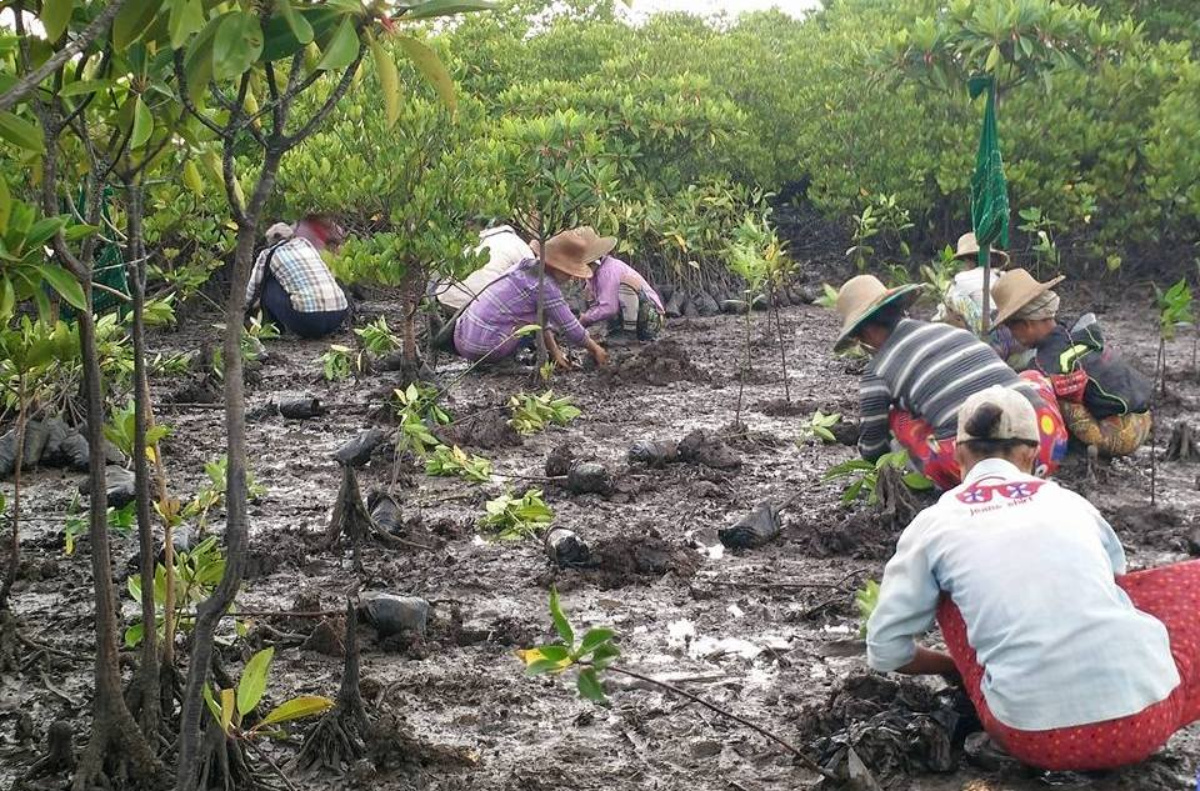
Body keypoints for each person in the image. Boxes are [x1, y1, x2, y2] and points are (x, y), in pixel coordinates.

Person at [866, 386, 1199, 772]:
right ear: (1031, 455)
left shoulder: (934, 525)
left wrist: (949, 667)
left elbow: (885, 650)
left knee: (950, 591)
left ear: (957, 456)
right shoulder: (1072, 504)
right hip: (1148, 722)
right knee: (1143, 591)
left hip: (1037, 739)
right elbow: (1117, 585)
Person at [833, 274, 1067, 489]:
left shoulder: (877, 371)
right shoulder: (953, 333)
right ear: (900, 310)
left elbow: (873, 449)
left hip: (972, 470)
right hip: (1044, 446)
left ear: (865, 334)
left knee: (898, 417)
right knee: (1029, 378)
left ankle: (940, 479)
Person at [993, 268, 1153, 457]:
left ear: (1026, 324)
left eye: (1012, 328)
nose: (1013, 336)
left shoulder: (1046, 362)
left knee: (1037, 388)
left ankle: (1075, 455)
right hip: (1144, 419)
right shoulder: (1073, 332)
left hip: (1119, 433)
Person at [453, 227, 609, 369]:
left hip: (461, 339)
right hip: (486, 348)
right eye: (569, 273)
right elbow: (570, 328)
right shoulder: (545, 285)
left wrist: (555, 352)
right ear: (557, 267)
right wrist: (596, 349)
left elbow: (543, 321)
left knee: (534, 320)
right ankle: (503, 362)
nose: (570, 278)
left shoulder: (524, 265)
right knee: (530, 327)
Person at [245, 214, 348, 339]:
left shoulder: (269, 254)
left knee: (267, 284)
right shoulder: (306, 244)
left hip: (309, 320)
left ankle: (273, 330)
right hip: (338, 316)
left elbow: (254, 288)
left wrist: (242, 310)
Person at [935, 232, 1026, 364]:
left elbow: (944, 314)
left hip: (991, 340)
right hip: (1018, 338)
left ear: (967, 261)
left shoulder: (960, 279)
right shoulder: (1002, 275)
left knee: (951, 300)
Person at [435, 224, 535, 315]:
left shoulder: (481, 238)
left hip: (444, 298)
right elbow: (534, 285)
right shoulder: (521, 246)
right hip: (474, 307)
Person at [579, 246, 665, 342]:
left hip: (651, 320)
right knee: (589, 291)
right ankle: (617, 330)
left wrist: (587, 318)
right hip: (639, 319)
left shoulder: (607, 271)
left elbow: (609, 308)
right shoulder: (596, 274)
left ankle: (629, 334)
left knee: (626, 285)